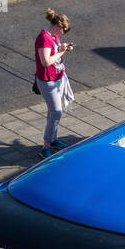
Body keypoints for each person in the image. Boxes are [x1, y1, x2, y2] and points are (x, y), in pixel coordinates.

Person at [36, 8, 74, 158]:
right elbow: (46, 62)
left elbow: (54, 51)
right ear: (57, 26)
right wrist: (62, 52)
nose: (62, 34)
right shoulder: (44, 38)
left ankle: (53, 139)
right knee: (56, 112)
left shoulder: (53, 35)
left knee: (53, 112)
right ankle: (45, 146)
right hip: (48, 81)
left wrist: (63, 47)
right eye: (62, 31)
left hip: (58, 78)